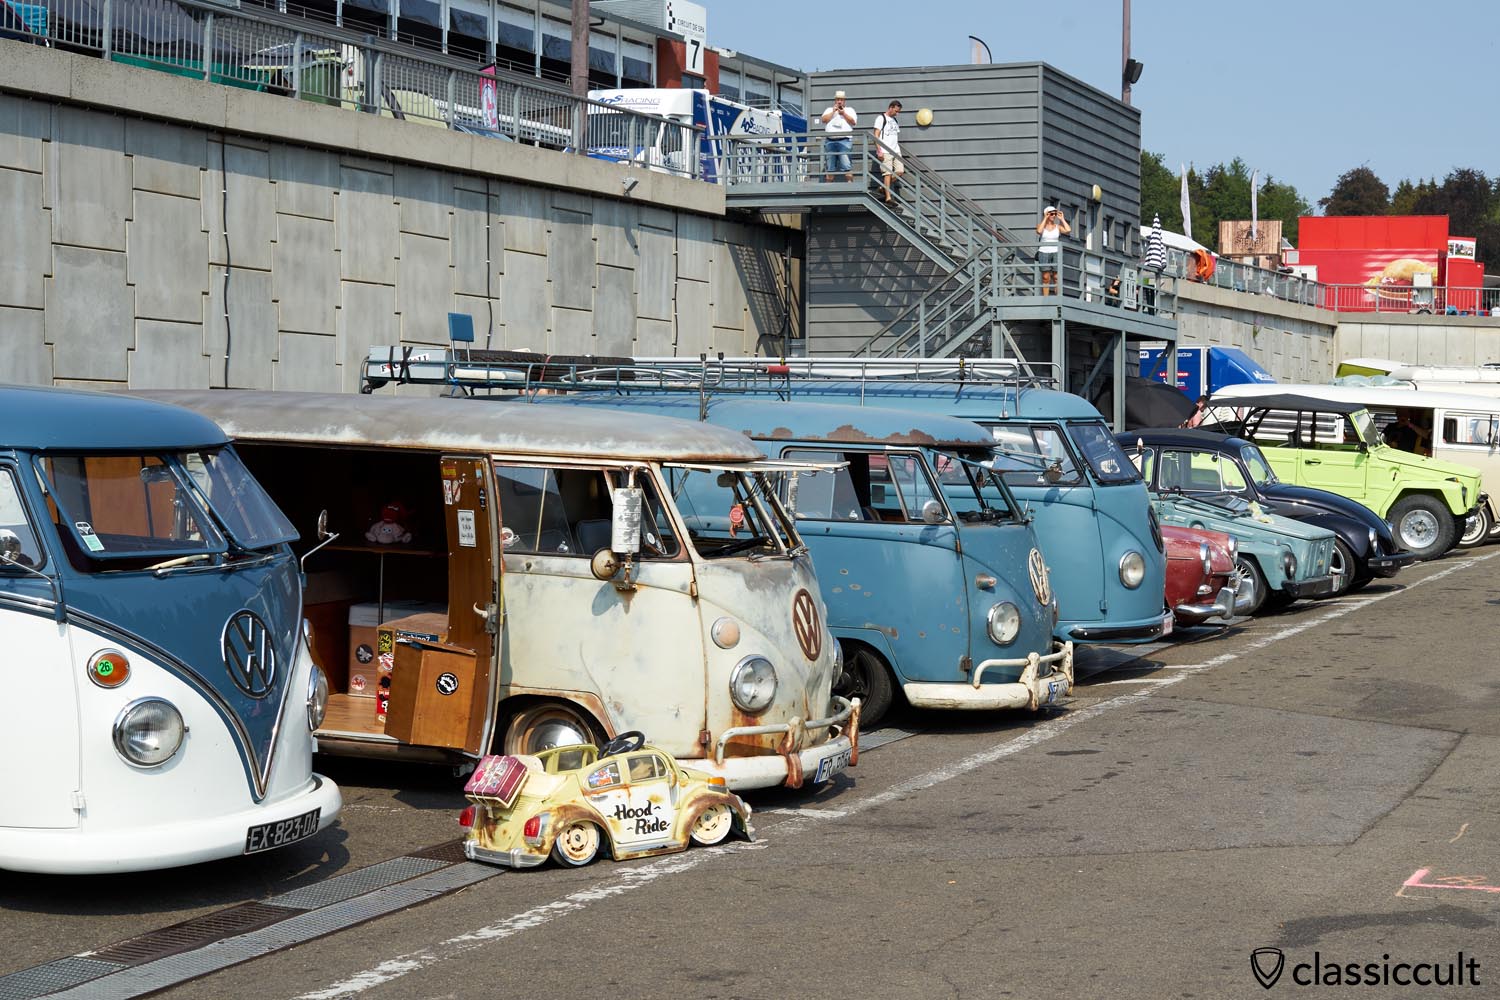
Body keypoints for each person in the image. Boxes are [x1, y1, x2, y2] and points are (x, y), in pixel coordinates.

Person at [871, 99, 904, 203]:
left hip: (896, 150)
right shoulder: (881, 118)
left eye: (898, 112)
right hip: (885, 150)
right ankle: (888, 197)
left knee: (900, 171)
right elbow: (876, 135)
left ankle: (882, 188)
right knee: (887, 174)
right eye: (896, 111)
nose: (897, 114)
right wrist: (879, 150)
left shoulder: (895, 120)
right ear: (891, 108)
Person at [820, 90, 857, 183]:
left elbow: (853, 122)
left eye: (841, 99)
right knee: (830, 166)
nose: (839, 101)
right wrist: (833, 112)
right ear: (835, 100)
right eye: (837, 99)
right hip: (830, 140)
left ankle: (850, 187)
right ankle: (828, 190)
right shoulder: (829, 110)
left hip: (844, 141)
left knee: (846, 165)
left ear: (844, 101)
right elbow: (824, 120)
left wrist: (843, 113)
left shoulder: (850, 110)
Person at [1035, 205, 1071, 295]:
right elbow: (1039, 231)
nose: (1053, 215)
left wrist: (1062, 219)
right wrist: (1045, 218)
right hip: (1044, 252)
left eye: (1054, 213)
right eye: (1051, 213)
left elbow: (1068, 230)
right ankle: (1046, 298)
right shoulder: (1041, 226)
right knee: (1046, 277)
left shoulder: (1057, 227)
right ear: (1047, 214)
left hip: (1056, 252)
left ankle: (1057, 296)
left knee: (1056, 276)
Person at [1142, 213, 1166, 315]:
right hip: (1148, 278)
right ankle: (1150, 310)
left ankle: (1150, 310)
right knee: (1149, 290)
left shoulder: (1149, 250)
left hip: (1149, 278)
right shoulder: (1151, 248)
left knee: (1149, 290)